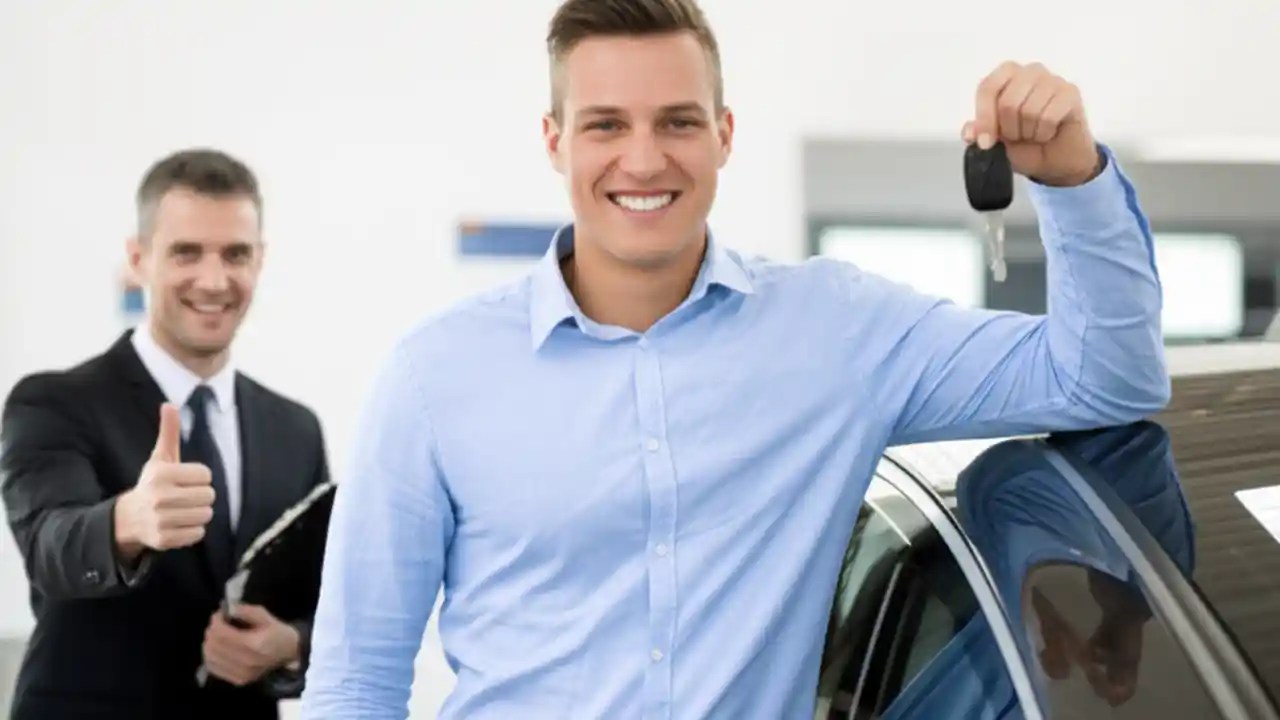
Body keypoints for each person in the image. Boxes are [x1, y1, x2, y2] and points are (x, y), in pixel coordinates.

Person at [300, 0, 1170, 717]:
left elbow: (1104, 375)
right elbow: (356, 683)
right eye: (606, 124)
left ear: (722, 133)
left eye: (677, 122)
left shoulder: (839, 334)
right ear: (555, 139)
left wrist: (1072, 178)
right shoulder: (432, 378)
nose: (644, 159)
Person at [0, 148, 330, 720]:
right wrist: (128, 521)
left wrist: (292, 644)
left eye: (235, 254)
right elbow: (48, 547)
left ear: (260, 260)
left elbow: (323, 597)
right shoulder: (54, 402)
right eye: (186, 253)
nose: (214, 279)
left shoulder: (295, 429)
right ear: (138, 258)